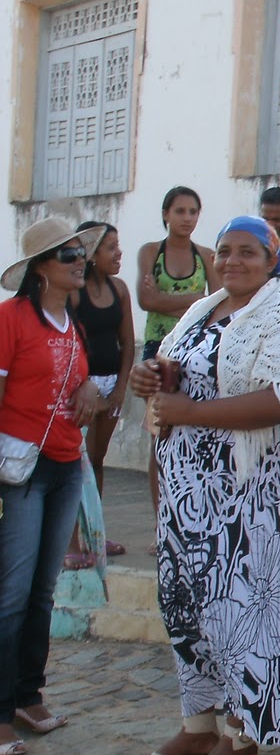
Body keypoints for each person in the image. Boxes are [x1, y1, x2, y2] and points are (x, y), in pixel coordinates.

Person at [129, 217, 280, 755]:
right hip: (187, 487)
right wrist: (155, 376)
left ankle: (245, 732)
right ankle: (199, 723)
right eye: (224, 251)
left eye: (247, 252)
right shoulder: (201, 310)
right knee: (186, 603)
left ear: (272, 260)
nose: (232, 260)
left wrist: (190, 412)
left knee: (243, 609)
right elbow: (184, 371)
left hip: (243, 491)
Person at [0, 218, 105, 755]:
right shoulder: (11, 319)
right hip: (22, 468)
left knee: (42, 591)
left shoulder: (72, 323)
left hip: (67, 465)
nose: (77, 261)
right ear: (41, 267)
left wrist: (89, 384)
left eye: (79, 253)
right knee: (12, 594)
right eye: (67, 254)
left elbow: (79, 380)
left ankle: (28, 696)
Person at [136, 187, 216, 526]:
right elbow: (146, 301)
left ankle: (191, 515)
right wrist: (193, 299)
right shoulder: (151, 252)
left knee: (194, 434)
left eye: (193, 212)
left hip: (194, 350)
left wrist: (171, 299)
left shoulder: (206, 255)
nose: (187, 218)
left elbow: (214, 302)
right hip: (159, 352)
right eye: (180, 211)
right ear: (166, 213)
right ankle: (161, 520)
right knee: (160, 435)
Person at [67, 221, 134, 563]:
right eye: (110, 247)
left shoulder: (119, 290)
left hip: (110, 384)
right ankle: (71, 542)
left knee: (95, 462)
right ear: (92, 255)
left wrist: (120, 389)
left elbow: (127, 344)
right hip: (82, 388)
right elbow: (70, 344)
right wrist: (85, 388)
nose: (118, 253)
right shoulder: (74, 295)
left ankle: (96, 533)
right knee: (73, 463)